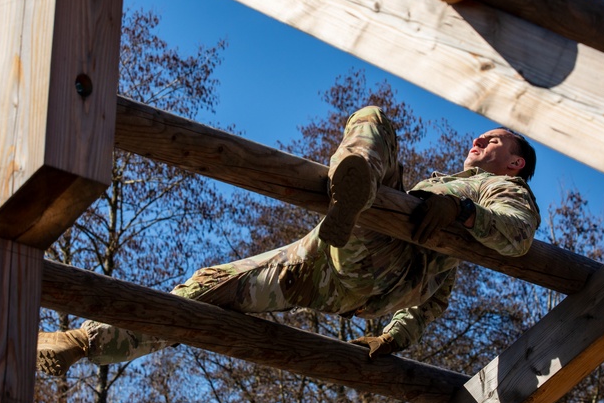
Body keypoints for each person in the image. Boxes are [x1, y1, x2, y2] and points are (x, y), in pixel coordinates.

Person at [36, 106, 540, 375]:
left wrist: (461, 210)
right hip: (322, 276)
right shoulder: (441, 191)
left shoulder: (499, 189)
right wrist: (394, 338)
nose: (478, 140)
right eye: (480, 136)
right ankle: (83, 343)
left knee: (374, 120)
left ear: (515, 162)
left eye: (494, 140)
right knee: (207, 288)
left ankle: (357, 180)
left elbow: (517, 235)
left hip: (382, 263)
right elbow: (437, 298)